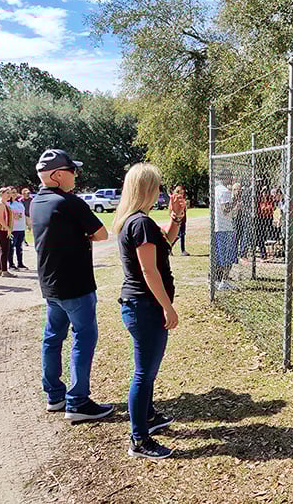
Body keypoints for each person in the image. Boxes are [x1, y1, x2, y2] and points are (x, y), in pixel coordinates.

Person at [31, 149, 114, 422]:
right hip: (76, 285)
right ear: (56, 175)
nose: (76, 175)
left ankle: (55, 396)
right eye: (71, 170)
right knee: (84, 337)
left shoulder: (37, 201)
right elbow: (101, 233)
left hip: (50, 285)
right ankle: (77, 402)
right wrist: (84, 236)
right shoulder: (70, 202)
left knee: (53, 337)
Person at [113, 163, 186, 460]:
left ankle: (150, 417)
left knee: (148, 370)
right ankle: (139, 440)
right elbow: (148, 269)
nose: (159, 192)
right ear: (146, 189)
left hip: (140, 306)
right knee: (143, 374)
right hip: (145, 307)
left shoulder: (135, 220)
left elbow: (165, 243)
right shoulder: (140, 222)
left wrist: (176, 218)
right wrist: (167, 307)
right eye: (156, 186)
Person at [214, 169, 237, 290]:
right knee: (228, 256)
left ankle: (217, 280)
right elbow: (225, 209)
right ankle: (224, 280)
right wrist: (236, 202)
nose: (232, 179)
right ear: (226, 178)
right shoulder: (225, 191)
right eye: (230, 177)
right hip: (225, 227)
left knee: (219, 255)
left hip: (218, 227)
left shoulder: (216, 189)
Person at [0, 187, 14, 277]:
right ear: (1, 194)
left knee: (3, 249)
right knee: (5, 249)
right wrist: (8, 229)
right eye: (7, 193)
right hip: (1, 229)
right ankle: (4, 271)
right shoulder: (0, 204)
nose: (9, 195)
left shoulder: (5, 203)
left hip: (3, 229)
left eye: (10, 193)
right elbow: (0, 219)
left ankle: (1, 269)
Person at [8, 187, 28, 270]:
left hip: (21, 228)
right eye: (12, 192)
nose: (14, 194)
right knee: (11, 247)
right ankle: (11, 264)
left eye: (15, 192)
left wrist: (27, 224)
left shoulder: (19, 203)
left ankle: (20, 263)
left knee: (19, 247)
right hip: (13, 228)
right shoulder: (8, 204)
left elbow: (23, 215)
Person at [256, 186, 274, 259]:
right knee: (260, 236)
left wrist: (264, 209)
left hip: (268, 219)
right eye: (264, 192)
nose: (265, 194)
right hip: (260, 219)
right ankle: (263, 253)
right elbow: (260, 209)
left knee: (264, 236)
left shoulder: (270, 200)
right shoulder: (259, 199)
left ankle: (264, 252)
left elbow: (271, 209)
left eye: (266, 192)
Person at [173, 186, 189, 256]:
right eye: (181, 192)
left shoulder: (182, 199)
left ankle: (169, 248)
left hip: (183, 219)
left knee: (179, 235)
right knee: (180, 235)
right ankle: (182, 250)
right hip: (179, 219)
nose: (182, 193)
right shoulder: (176, 199)